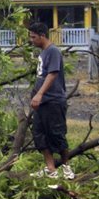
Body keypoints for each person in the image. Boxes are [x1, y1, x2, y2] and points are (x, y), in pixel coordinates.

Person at [28, 22, 73, 179]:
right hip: (41, 103)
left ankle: (67, 168)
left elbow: (53, 74)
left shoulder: (53, 51)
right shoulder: (42, 53)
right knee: (39, 134)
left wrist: (39, 94)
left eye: (34, 37)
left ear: (42, 35)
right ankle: (51, 168)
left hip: (53, 100)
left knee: (57, 134)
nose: (31, 40)